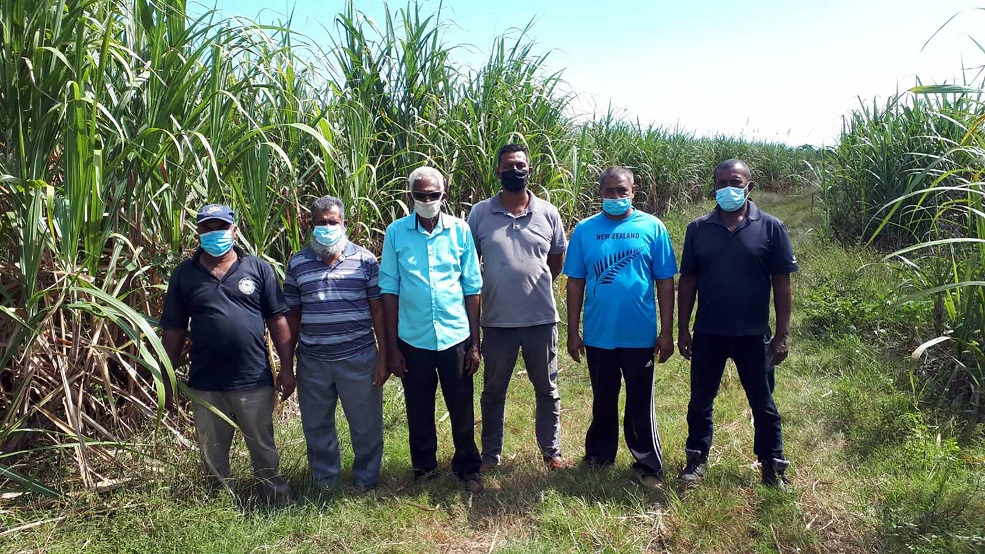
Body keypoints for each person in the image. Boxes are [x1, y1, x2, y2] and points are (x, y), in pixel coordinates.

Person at [676, 159, 798, 491]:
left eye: (735, 182)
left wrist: (782, 335)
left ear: (749, 187)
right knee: (700, 401)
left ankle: (772, 465)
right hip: (709, 332)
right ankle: (696, 459)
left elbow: (782, 285)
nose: (728, 188)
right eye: (722, 183)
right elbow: (688, 281)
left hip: (754, 335)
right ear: (713, 187)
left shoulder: (771, 227)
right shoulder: (698, 228)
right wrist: (683, 329)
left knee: (763, 403)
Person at [160, 204, 294, 505]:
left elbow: (278, 320)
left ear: (234, 230)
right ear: (198, 232)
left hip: (253, 378)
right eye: (207, 228)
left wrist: (287, 368)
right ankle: (219, 506)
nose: (214, 233)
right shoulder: (184, 274)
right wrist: (166, 378)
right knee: (212, 452)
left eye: (220, 227)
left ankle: (275, 501)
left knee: (263, 448)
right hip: (206, 383)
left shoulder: (258, 269)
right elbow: (174, 331)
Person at [563, 166, 677, 487]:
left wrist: (666, 332)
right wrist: (573, 332)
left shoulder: (652, 227)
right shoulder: (585, 230)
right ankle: (599, 456)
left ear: (633, 192)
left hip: (639, 335)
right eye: (609, 191)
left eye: (621, 190)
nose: (615, 196)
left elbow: (665, 282)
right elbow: (575, 283)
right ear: (600, 194)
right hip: (599, 335)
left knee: (640, 401)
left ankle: (647, 462)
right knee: (603, 398)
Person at [379, 166, 484, 493]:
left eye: (433, 195)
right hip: (413, 337)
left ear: (444, 195)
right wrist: (393, 347)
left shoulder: (460, 231)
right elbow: (389, 289)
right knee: (419, 407)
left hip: (455, 335)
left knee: (461, 405)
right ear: (409, 196)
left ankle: (467, 467)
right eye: (420, 195)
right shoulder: (396, 233)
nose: (427, 201)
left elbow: (472, 287)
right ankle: (424, 469)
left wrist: (475, 343)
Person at [467, 143, 568, 472]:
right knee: (493, 391)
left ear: (530, 170)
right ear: (498, 172)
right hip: (497, 320)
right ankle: (490, 455)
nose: (515, 171)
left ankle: (551, 453)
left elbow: (556, 261)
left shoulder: (548, 213)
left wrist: (531, 281)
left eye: (520, 165)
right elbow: (469, 263)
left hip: (541, 318)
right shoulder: (480, 214)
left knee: (547, 389)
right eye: (508, 166)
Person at [283, 195, 389, 492]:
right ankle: (326, 482)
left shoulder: (365, 260)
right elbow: (292, 316)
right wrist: (287, 365)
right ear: (310, 225)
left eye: (333, 222)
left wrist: (383, 357)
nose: (327, 227)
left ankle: (367, 480)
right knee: (317, 426)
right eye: (321, 223)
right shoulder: (298, 263)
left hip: (358, 357)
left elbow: (378, 311)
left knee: (366, 424)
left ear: (345, 224)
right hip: (313, 360)